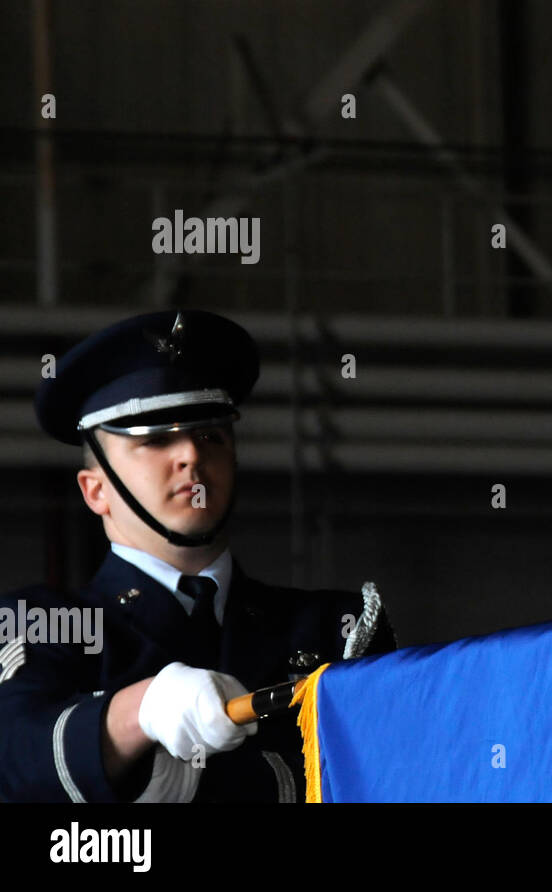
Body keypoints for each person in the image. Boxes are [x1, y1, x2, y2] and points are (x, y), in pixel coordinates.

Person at [0, 309, 396, 802]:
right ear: (95, 490)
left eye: (210, 436)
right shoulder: (44, 626)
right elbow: (17, 756)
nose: (190, 454)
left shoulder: (336, 629)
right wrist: (143, 709)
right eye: (156, 440)